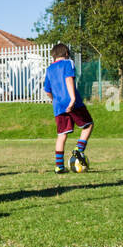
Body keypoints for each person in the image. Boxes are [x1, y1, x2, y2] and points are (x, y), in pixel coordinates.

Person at [44, 43, 93, 173]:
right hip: (72, 102)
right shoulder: (68, 63)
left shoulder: (49, 69)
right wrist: (72, 99)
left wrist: (55, 100)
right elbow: (68, 79)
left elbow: (47, 90)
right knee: (88, 125)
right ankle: (78, 150)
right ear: (66, 53)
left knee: (62, 135)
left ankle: (59, 167)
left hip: (58, 105)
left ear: (54, 56)